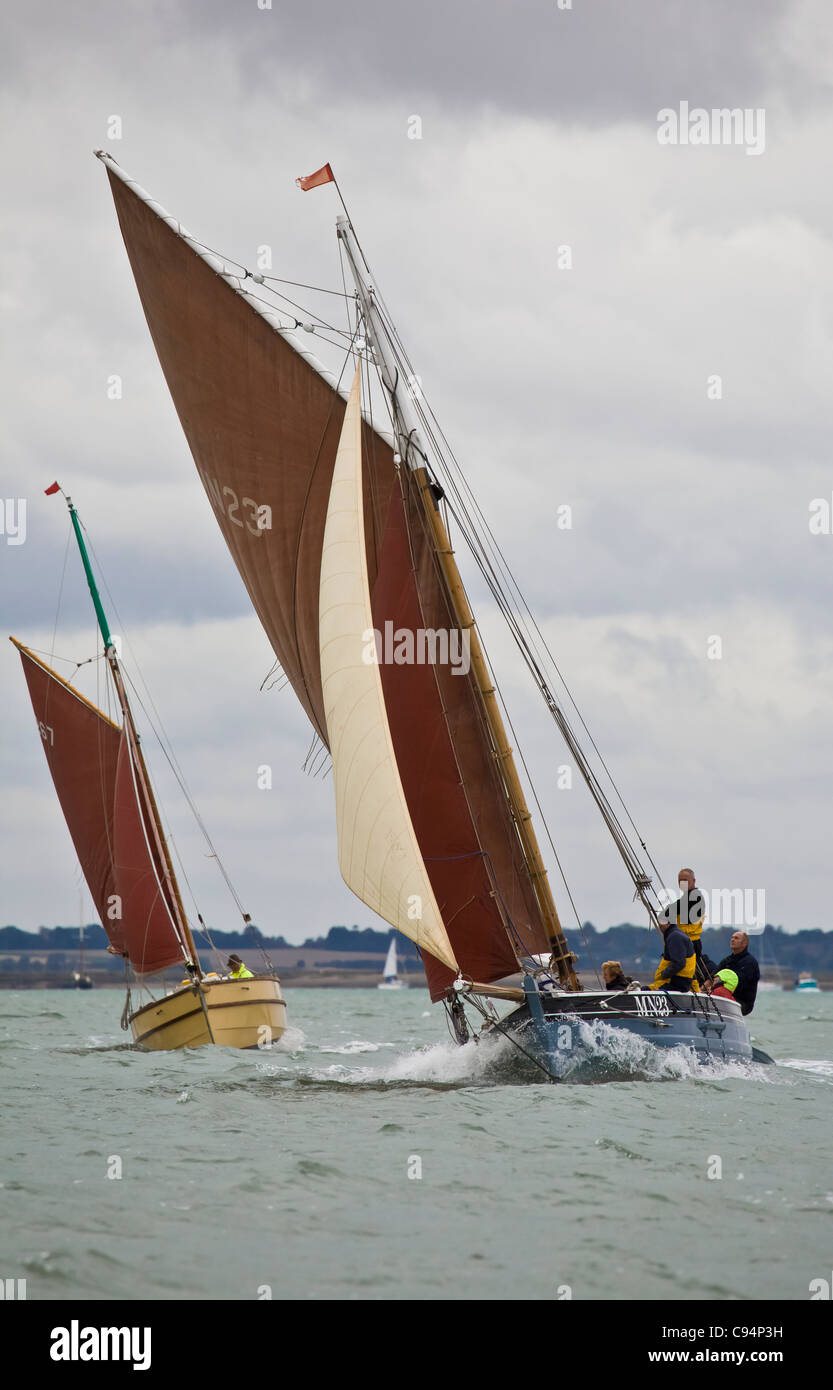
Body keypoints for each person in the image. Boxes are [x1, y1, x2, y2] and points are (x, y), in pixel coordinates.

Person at [715, 931, 759, 1015]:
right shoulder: (727, 960)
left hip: (742, 1004)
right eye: (732, 937)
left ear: (744, 943)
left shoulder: (750, 962)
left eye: (736, 938)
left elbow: (739, 983)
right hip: (726, 997)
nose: (732, 940)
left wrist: (717, 985)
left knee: (719, 991)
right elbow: (713, 975)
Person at [651, 918, 696, 993]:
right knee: (645, 988)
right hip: (675, 983)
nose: (659, 924)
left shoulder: (675, 936)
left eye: (662, 922)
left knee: (645, 989)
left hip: (676, 984)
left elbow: (679, 963)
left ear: (669, 923)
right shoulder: (674, 934)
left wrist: (663, 974)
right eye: (659, 922)